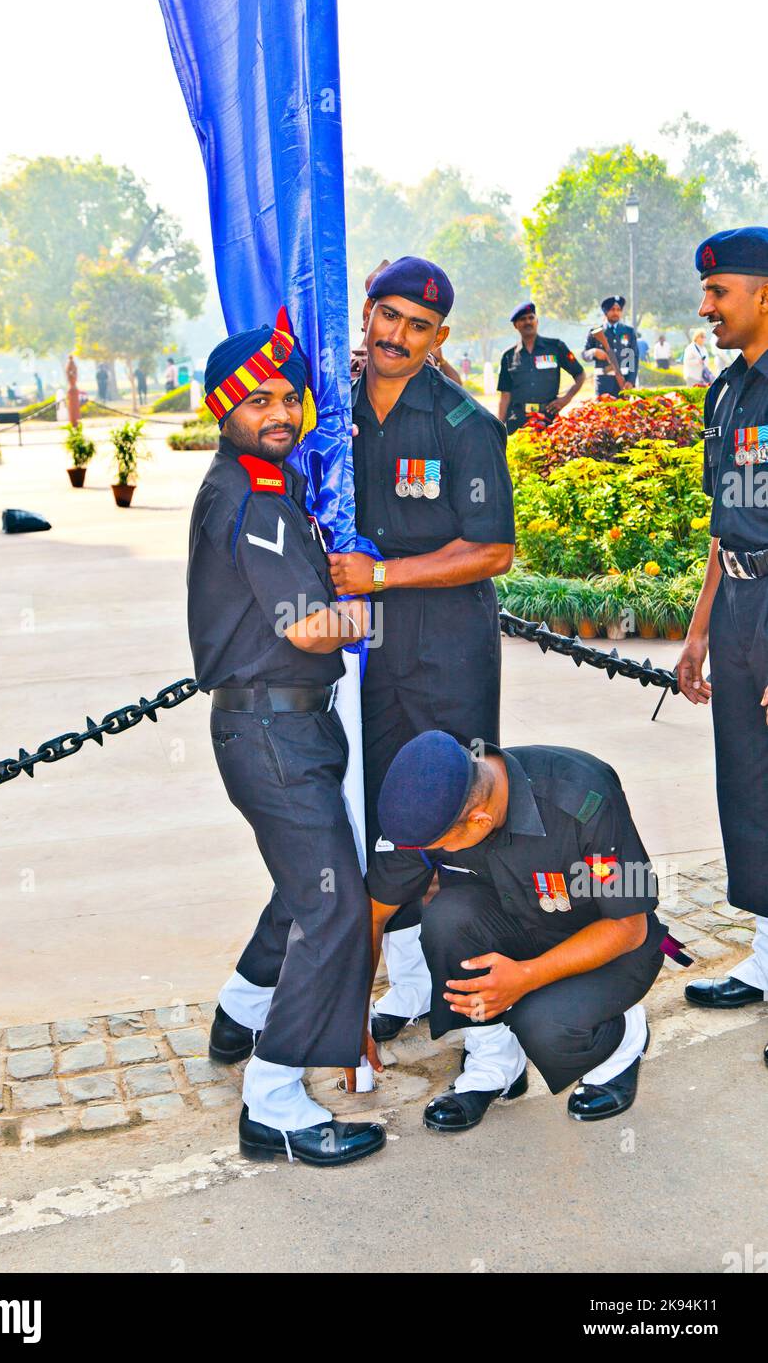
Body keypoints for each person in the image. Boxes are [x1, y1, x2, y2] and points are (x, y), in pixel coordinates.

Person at [187, 314, 385, 1167]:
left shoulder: (267, 484)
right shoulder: (256, 498)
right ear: (223, 410)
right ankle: (273, 1101)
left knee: (304, 883)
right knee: (335, 904)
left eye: (288, 397)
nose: (280, 411)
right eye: (257, 399)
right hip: (274, 727)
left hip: (280, 722)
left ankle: (239, 1014)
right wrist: (377, 607)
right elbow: (307, 626)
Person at [328, 256, 516, 1043]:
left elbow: (493, 551)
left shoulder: (465, 425)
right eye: (388, 315)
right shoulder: (333, 415)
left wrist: (386, 573)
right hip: (367, 658)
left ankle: (487, 1032)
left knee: (461, 823)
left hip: (450, 652)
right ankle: (407, 989)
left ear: (440, 337)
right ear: (366, 313)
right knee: (384, 821)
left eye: (418, 325)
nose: (398, 336)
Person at [367, 731, 669, 1129]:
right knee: (447, 918)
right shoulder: (437, 809)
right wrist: (349, 1017)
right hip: (520, 924)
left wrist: (525, 977)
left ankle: (622, 1036)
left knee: (543, 1025)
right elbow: (374, 916)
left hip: (606, 942)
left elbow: (629, 927)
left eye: (442, 845)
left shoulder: (584, 796)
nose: (434, 853)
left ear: (480, 820)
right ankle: (495, 1064)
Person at [676, 227, 768, 1060]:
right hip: (738, 606)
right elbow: (723, 525)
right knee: (748, 785)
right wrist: (698, 634)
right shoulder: (727, 393)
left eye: (720, 293)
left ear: (766, 292)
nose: (705, 307)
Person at [497, 301, 585, 435]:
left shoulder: (556, 347)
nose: (528, 322)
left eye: (531, 318)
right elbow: (505, 395)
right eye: (522, 319)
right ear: (516, 325)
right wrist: (498, 427)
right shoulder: (508, 356)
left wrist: (565, 399)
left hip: (548, 419)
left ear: (537, 321)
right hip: (518, 421)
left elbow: (580, 374)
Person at [582, 295, 639, 396]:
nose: (616, 312)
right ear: (606, 312)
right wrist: (593, 352)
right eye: (612, 309)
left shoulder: (628, 331)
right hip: (603, 382)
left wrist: (631, 380)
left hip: (623, 381)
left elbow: (633, 358)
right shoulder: (595, 332)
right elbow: (584, 354)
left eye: (618, 310)